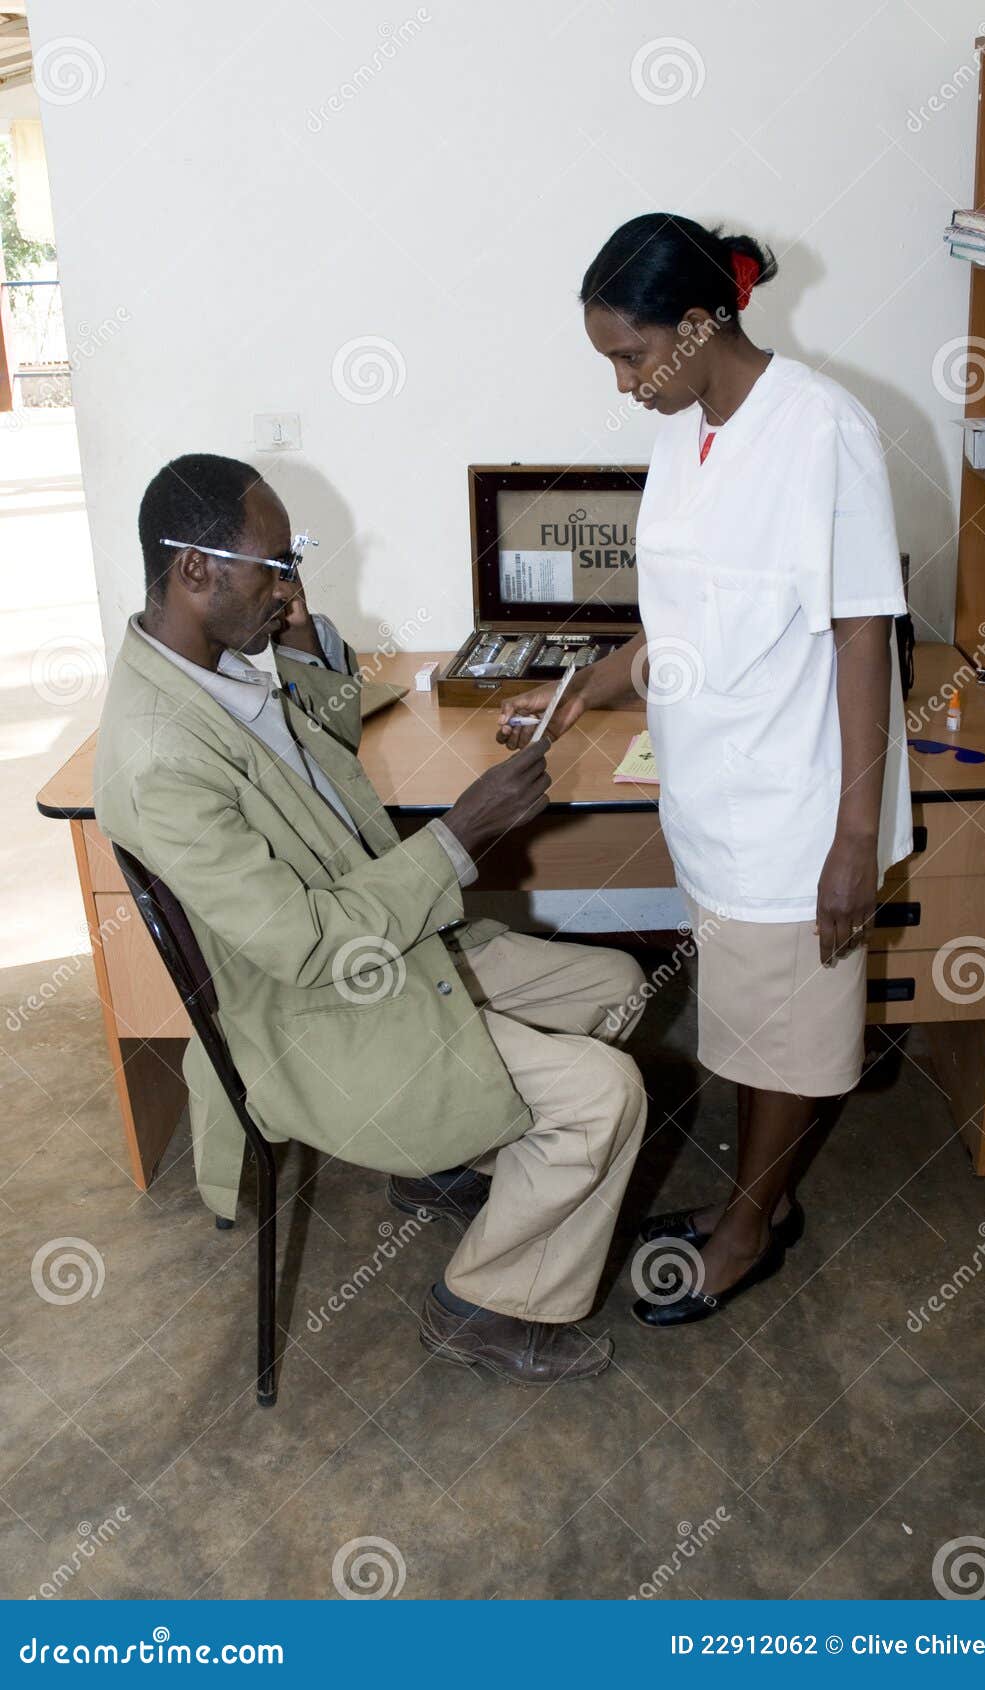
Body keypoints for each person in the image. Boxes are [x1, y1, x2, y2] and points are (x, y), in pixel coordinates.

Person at [94, 453, 649, 1383]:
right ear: (197, 570)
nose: (291, 585)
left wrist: (307, 653)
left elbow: (321, 760)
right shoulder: (160, 756)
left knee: (620, 986)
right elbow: (308, 944)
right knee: (606, 1095)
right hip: (318, 1015)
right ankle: (482, 1304)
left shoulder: (215, 667)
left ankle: (448, 1166)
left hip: (378, 954)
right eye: (275, 565)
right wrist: (462, 836)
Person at [499, 215, 913, 1329]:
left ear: (696, 324)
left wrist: (849, 839)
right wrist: (595, 679)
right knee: (743, 1027)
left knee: (787, 1040)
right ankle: (756, 1197)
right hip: (713, 805)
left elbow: (862, 634)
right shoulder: (684, 432)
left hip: (797, 810)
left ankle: (747, 1232)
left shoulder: (822, 428)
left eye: (631, 356)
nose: (625, 383)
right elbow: (684, 620)